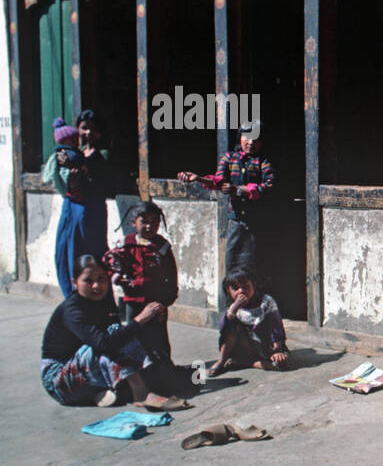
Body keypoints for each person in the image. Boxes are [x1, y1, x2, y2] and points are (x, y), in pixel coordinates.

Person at [41, 254, 188, 411]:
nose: (96, 286)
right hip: (58, 381)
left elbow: (121, 339)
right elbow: (105, 343)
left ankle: (109, 392)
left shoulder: (103, 302)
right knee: (110, 339)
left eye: (101, 279)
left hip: (84, 371)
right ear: (74, 282)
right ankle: (141, 393)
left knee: (119, 334)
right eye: (88, 281)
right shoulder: (72, 310)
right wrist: (140, 319)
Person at [178, 121, 273, 274]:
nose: (250, 143)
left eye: (255, 139)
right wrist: (198, 179)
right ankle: (233, 297)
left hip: (258, 221)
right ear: (239, 138)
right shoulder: (229, 158)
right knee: (232, 262)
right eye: (246, 138)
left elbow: (268, 187)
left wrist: (239, 190)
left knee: (255, 264)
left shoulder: (263, 162)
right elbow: (218, 180)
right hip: (235, 220)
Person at [103, 200, 179, 373]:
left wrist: (167, 299)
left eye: (154, 222)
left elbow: (171, 273)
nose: (149, 226)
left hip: (156, 301)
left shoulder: (162, 246)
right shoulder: (126, 244)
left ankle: (164, 370)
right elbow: (112, 265)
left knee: (159, 336)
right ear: (133, 223)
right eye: (144, 221)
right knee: (133, 335)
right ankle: (136, 371)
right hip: (133, 301)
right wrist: (120, 279)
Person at [44, 110, 112, 297]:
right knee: (67, 251)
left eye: (93, 129)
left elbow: (95, 185)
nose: (88, 133)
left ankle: (98, 298)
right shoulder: (74, 152)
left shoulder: (102, 154)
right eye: (84, 128)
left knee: (92, 252)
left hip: (91, 208)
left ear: (100, 132)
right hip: (72, 207)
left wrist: (76, 169)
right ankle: (74, 295)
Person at [208, 270, 289, 376]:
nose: (241, 291)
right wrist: (232, 311)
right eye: (235, 288)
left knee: (280, 364)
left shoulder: (266, 302)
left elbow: (276, 326)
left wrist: (277, 350)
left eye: (245, 286)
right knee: (231, 327)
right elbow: (223, 330)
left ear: (253, 285)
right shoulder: (233, 305)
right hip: (244, 346)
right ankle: (221, 361)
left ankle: (248, 363)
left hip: (265, 347)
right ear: (229, 290)